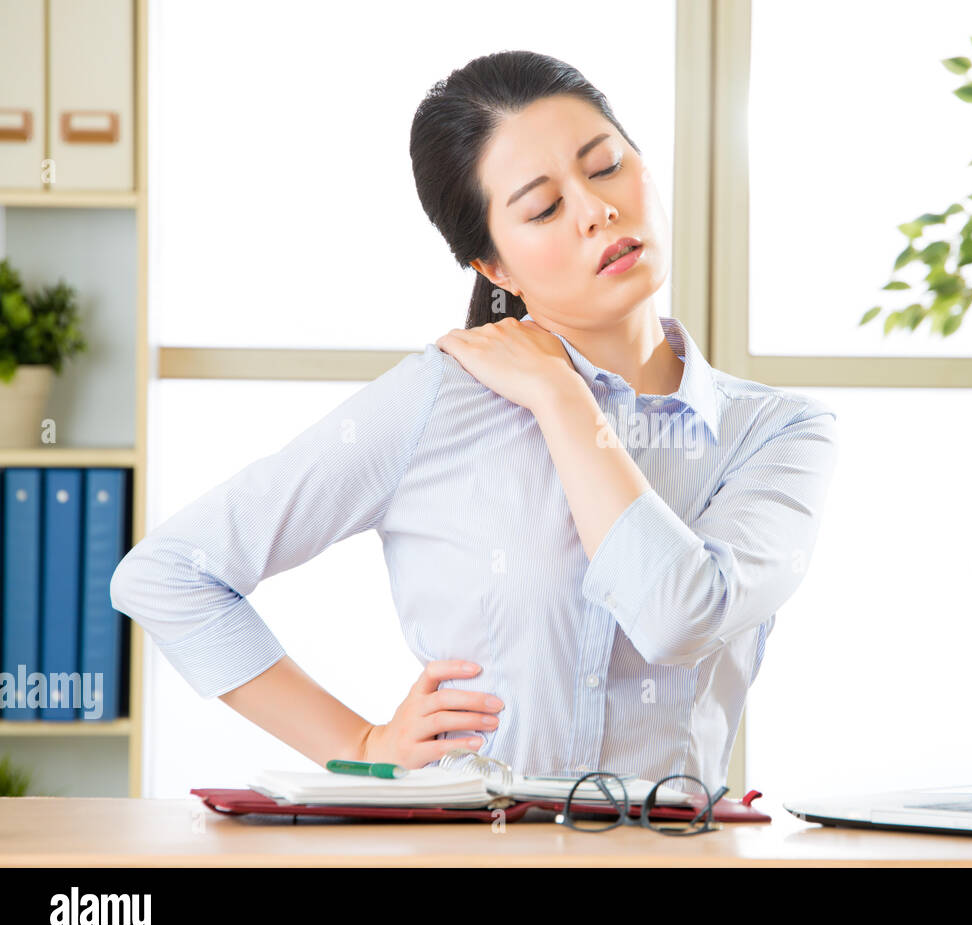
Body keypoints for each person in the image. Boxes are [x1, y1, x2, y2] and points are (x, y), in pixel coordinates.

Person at [110, 50, 839, 791]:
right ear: (496, 269)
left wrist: (560, 400)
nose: (596, 210)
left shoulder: (777, 433)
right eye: (544, 208)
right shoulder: (439, 398)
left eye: (607, 165)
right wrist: (360, 743)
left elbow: (678, 616)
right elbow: (170, 574)